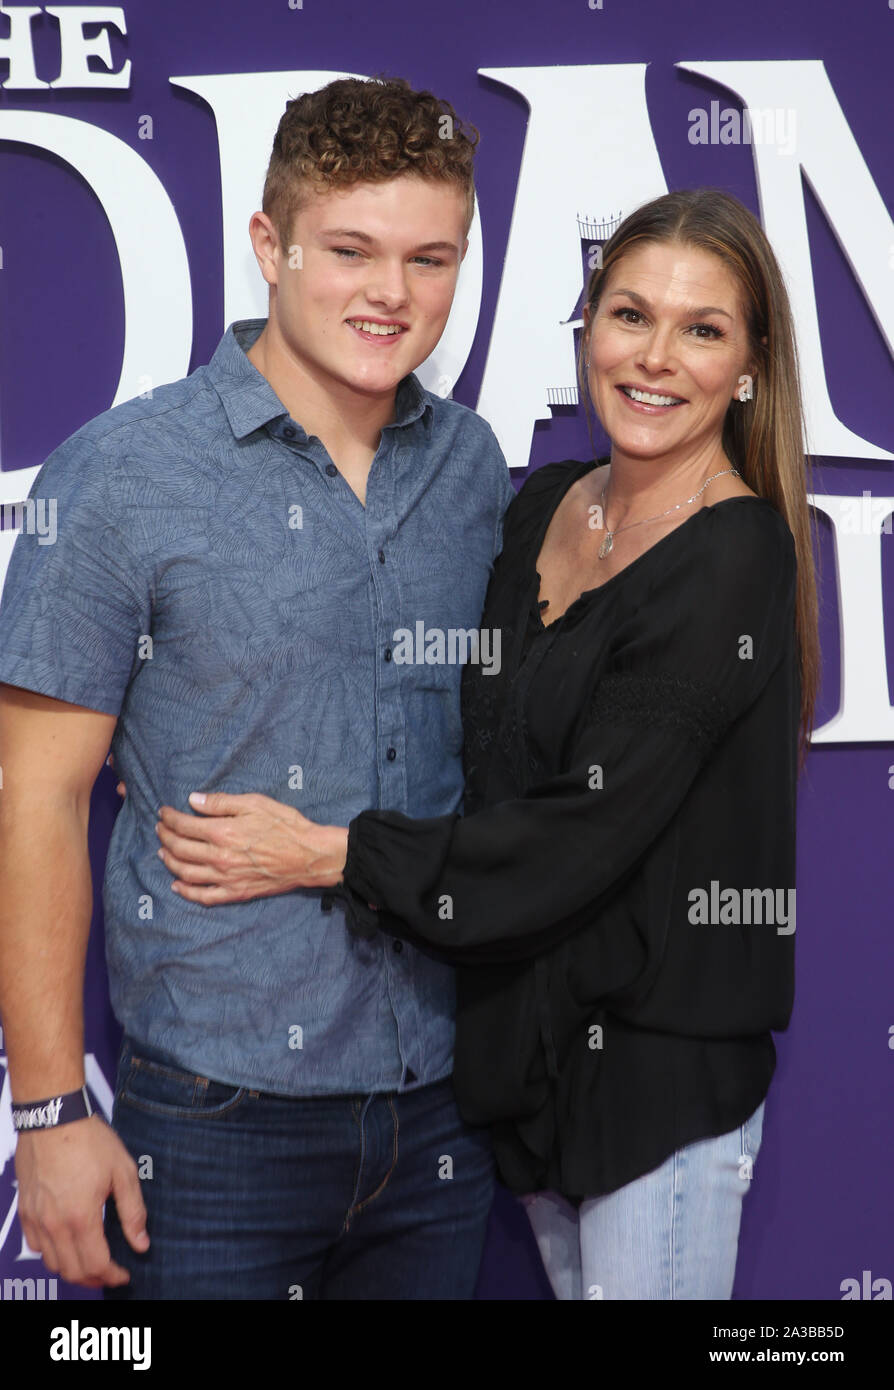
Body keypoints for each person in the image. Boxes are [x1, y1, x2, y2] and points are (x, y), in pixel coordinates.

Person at [153, 189, 820, 1299]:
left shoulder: (735, 555)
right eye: (628, 315)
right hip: (530, 1072)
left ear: (750, 367)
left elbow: (579, 834)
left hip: (658, 1090)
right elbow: (477, 757)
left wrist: (329, 853)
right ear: (585, 330)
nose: (655, 358)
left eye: (703, 330)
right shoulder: (544, 504)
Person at [0, 75, 516, 1300]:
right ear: (270, 247)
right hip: (212, 1120)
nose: (392, 293)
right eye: (350, 250)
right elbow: (36, 804)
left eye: (429, 257)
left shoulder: (475, 468)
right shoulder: (122, 477)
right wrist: (52, 1108)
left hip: (444, 1109)